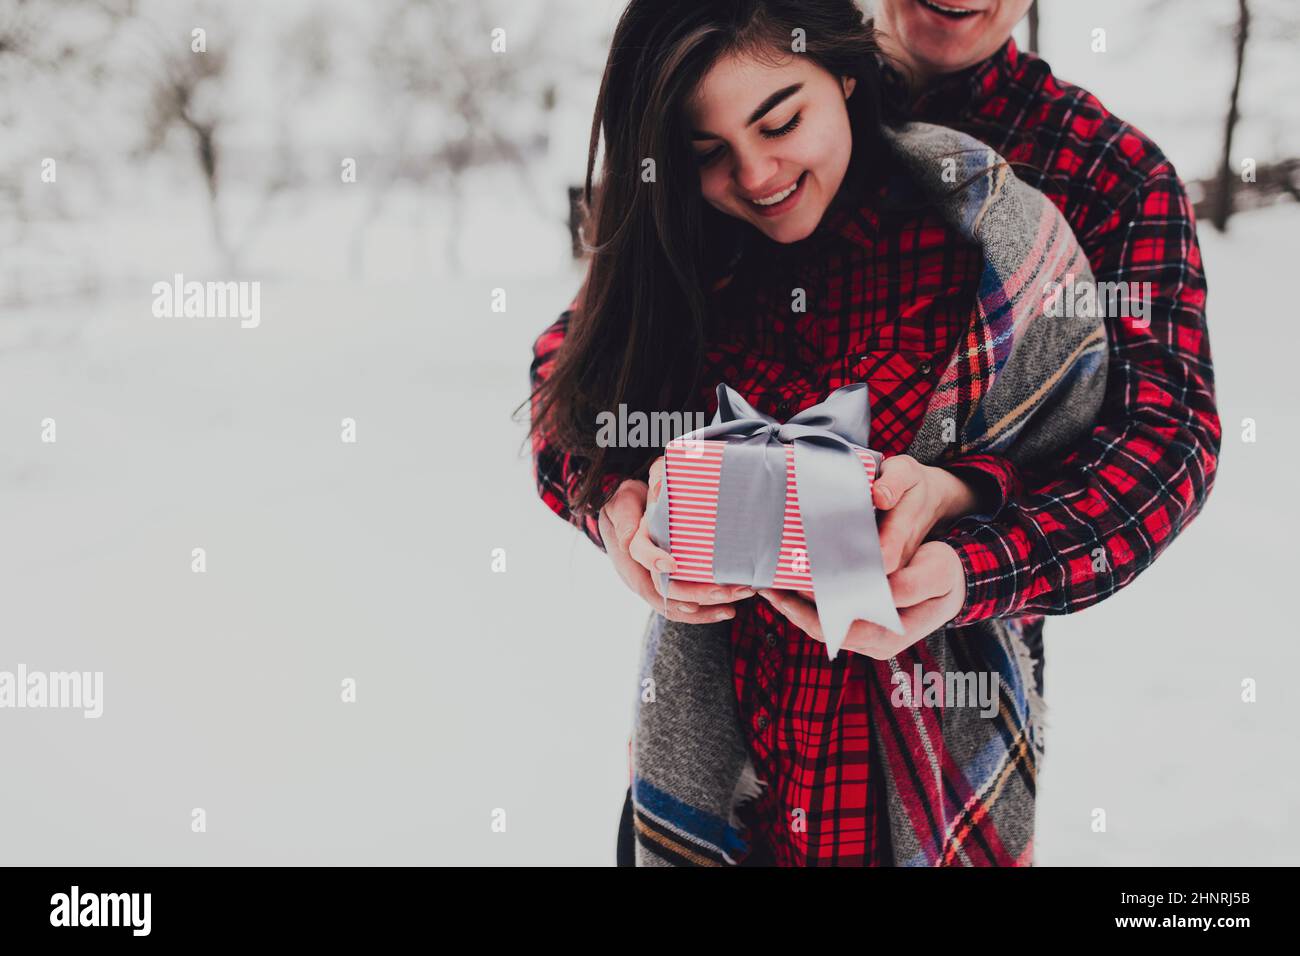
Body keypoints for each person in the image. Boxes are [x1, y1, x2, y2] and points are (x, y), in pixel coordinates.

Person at [526, 0, 1219, 866]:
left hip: (932, 744)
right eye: (716, 152)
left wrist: (972, 550)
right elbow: (579, 368)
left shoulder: (1104, 173)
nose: (757, 169)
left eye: (782, 123)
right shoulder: (752, 81)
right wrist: (615, 504)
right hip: (726, 728)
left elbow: (1165, 443)